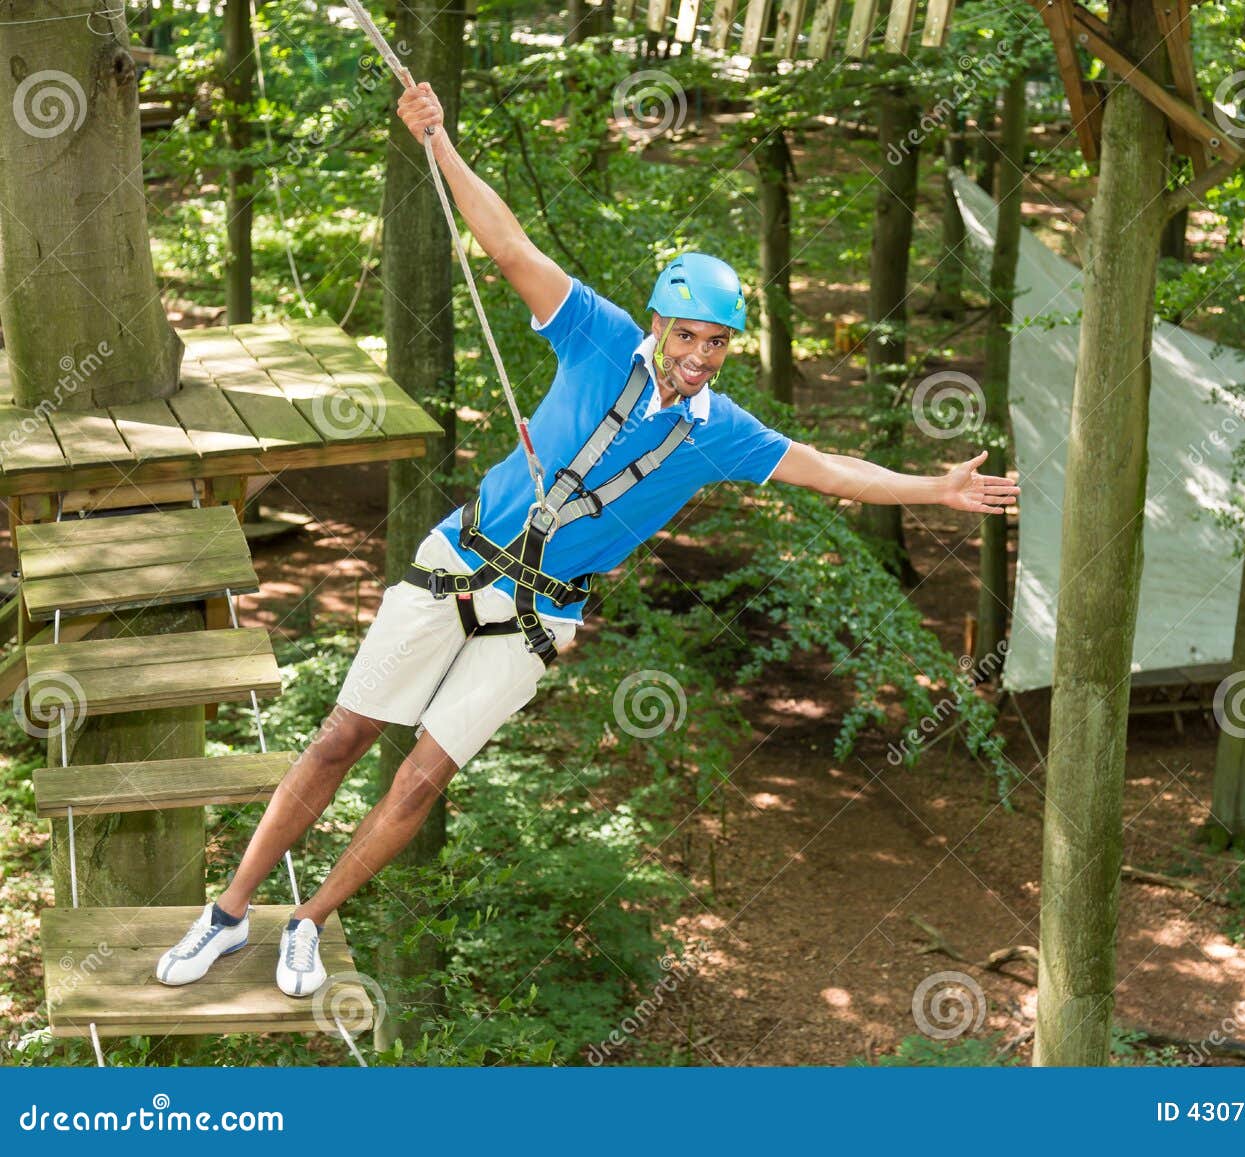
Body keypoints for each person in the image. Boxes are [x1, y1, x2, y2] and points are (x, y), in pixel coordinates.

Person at [155, 82, 1020, 998]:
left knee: (416, 783)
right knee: (342, 735)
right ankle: (227, 912)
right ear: (657, 324)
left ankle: (308, 922)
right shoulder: (598, 336)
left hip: (540, 617)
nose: (699, 355)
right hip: (462, 563)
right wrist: (438, 142)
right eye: (687, 334)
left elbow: (827, 467)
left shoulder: (719, 432)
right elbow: (508, 244)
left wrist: (935, 487)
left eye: (717, 342)